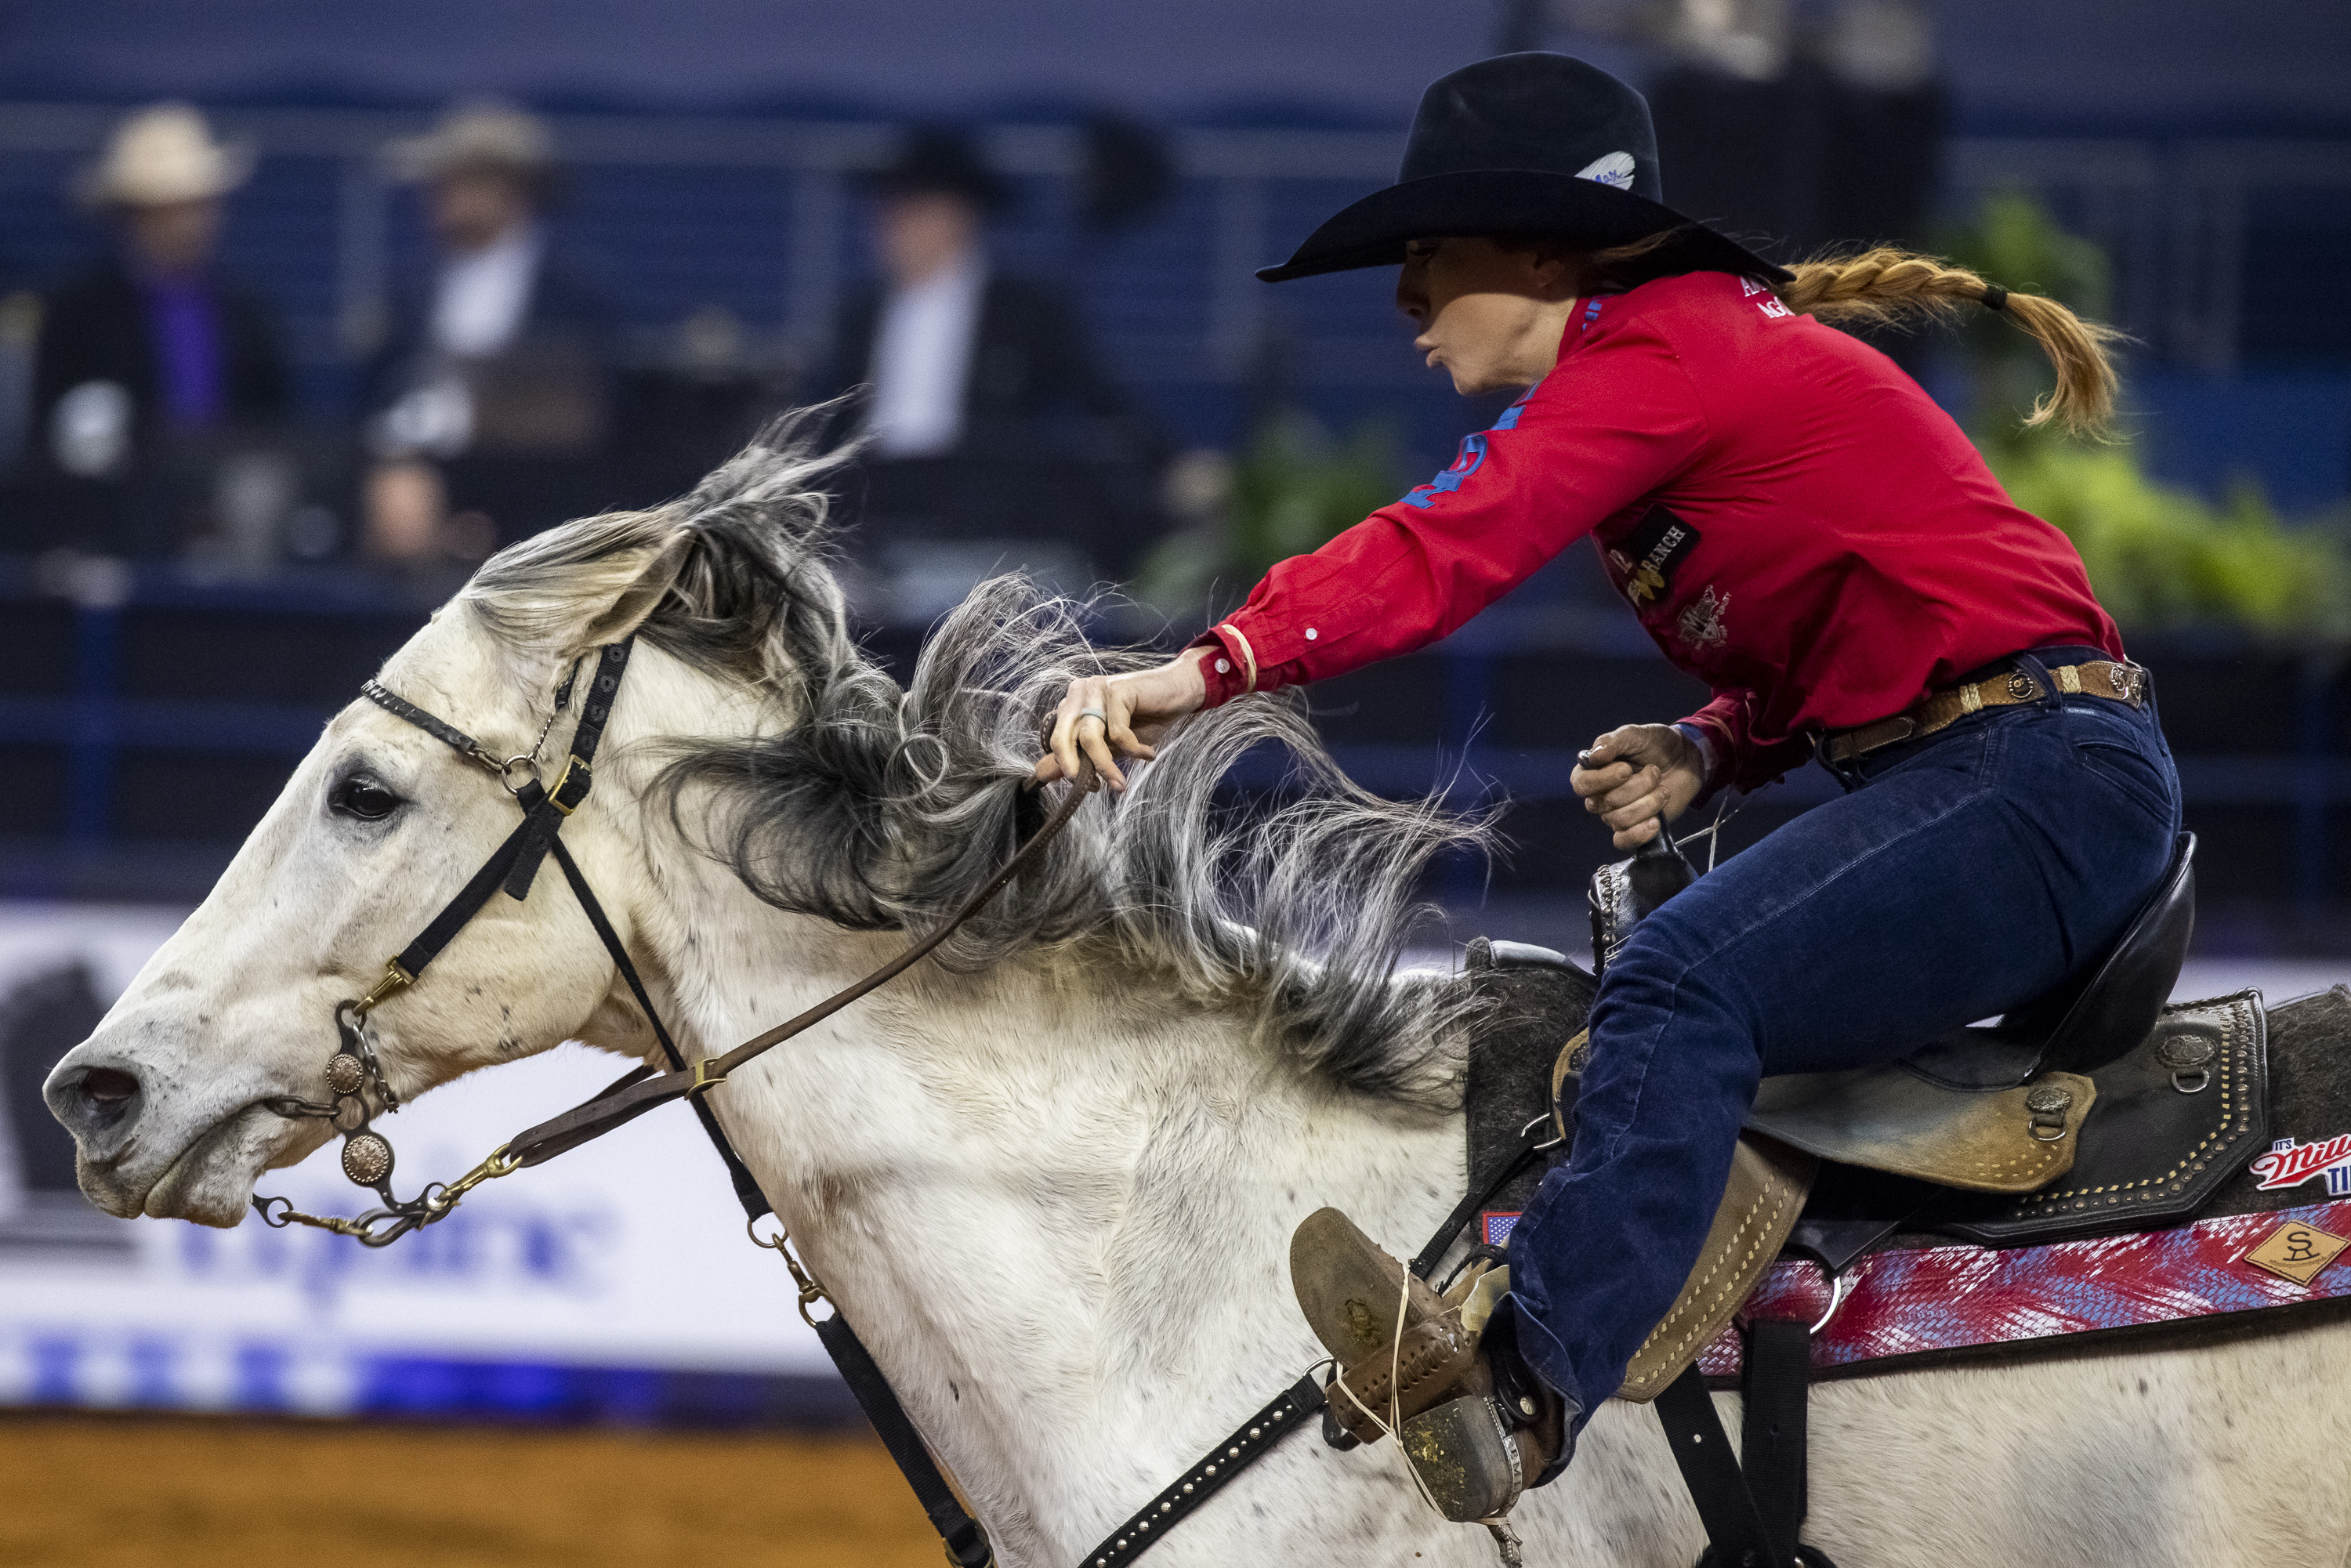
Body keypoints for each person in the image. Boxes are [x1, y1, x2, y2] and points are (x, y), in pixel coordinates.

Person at [1035, 53, 2175, 1523]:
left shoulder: (1662, 357)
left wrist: (1208, 668)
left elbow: (1443, 543)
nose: (1403, 302)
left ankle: (1525, 1387)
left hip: (2040, 780)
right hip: (2027, 766)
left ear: (1551, 251)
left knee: (1684, 983)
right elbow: (1872, 616)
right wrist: (1715, 744)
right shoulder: (1687, 363)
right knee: (1674, 985)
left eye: (1428, 258)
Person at [814, 126, 1169, 596]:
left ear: (959, 217)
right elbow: (824, 416)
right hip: (870, 518)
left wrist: (1172, 463)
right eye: (887, 211)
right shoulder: (858, 317)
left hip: (980, 521)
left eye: (912, 210)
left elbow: (1098, 395)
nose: (891, 226)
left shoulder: (1022, 311)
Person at [28, 103, 289, 551]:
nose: (194, 222)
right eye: (173, 208)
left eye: (201, 205)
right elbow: (50, 435)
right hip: (118, 528)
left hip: (227, 524)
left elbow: (276, 427)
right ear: (133, 216)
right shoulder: (80, 312)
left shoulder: (245, 312)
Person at [362, 103, 612, 564]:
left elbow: (591, 414)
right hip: (423, 489)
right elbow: (379, 393)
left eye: (452, 184)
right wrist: (395, 463)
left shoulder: (576, 297)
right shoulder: (411, 290)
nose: (435, 200)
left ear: (506, 190)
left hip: (535, 497)